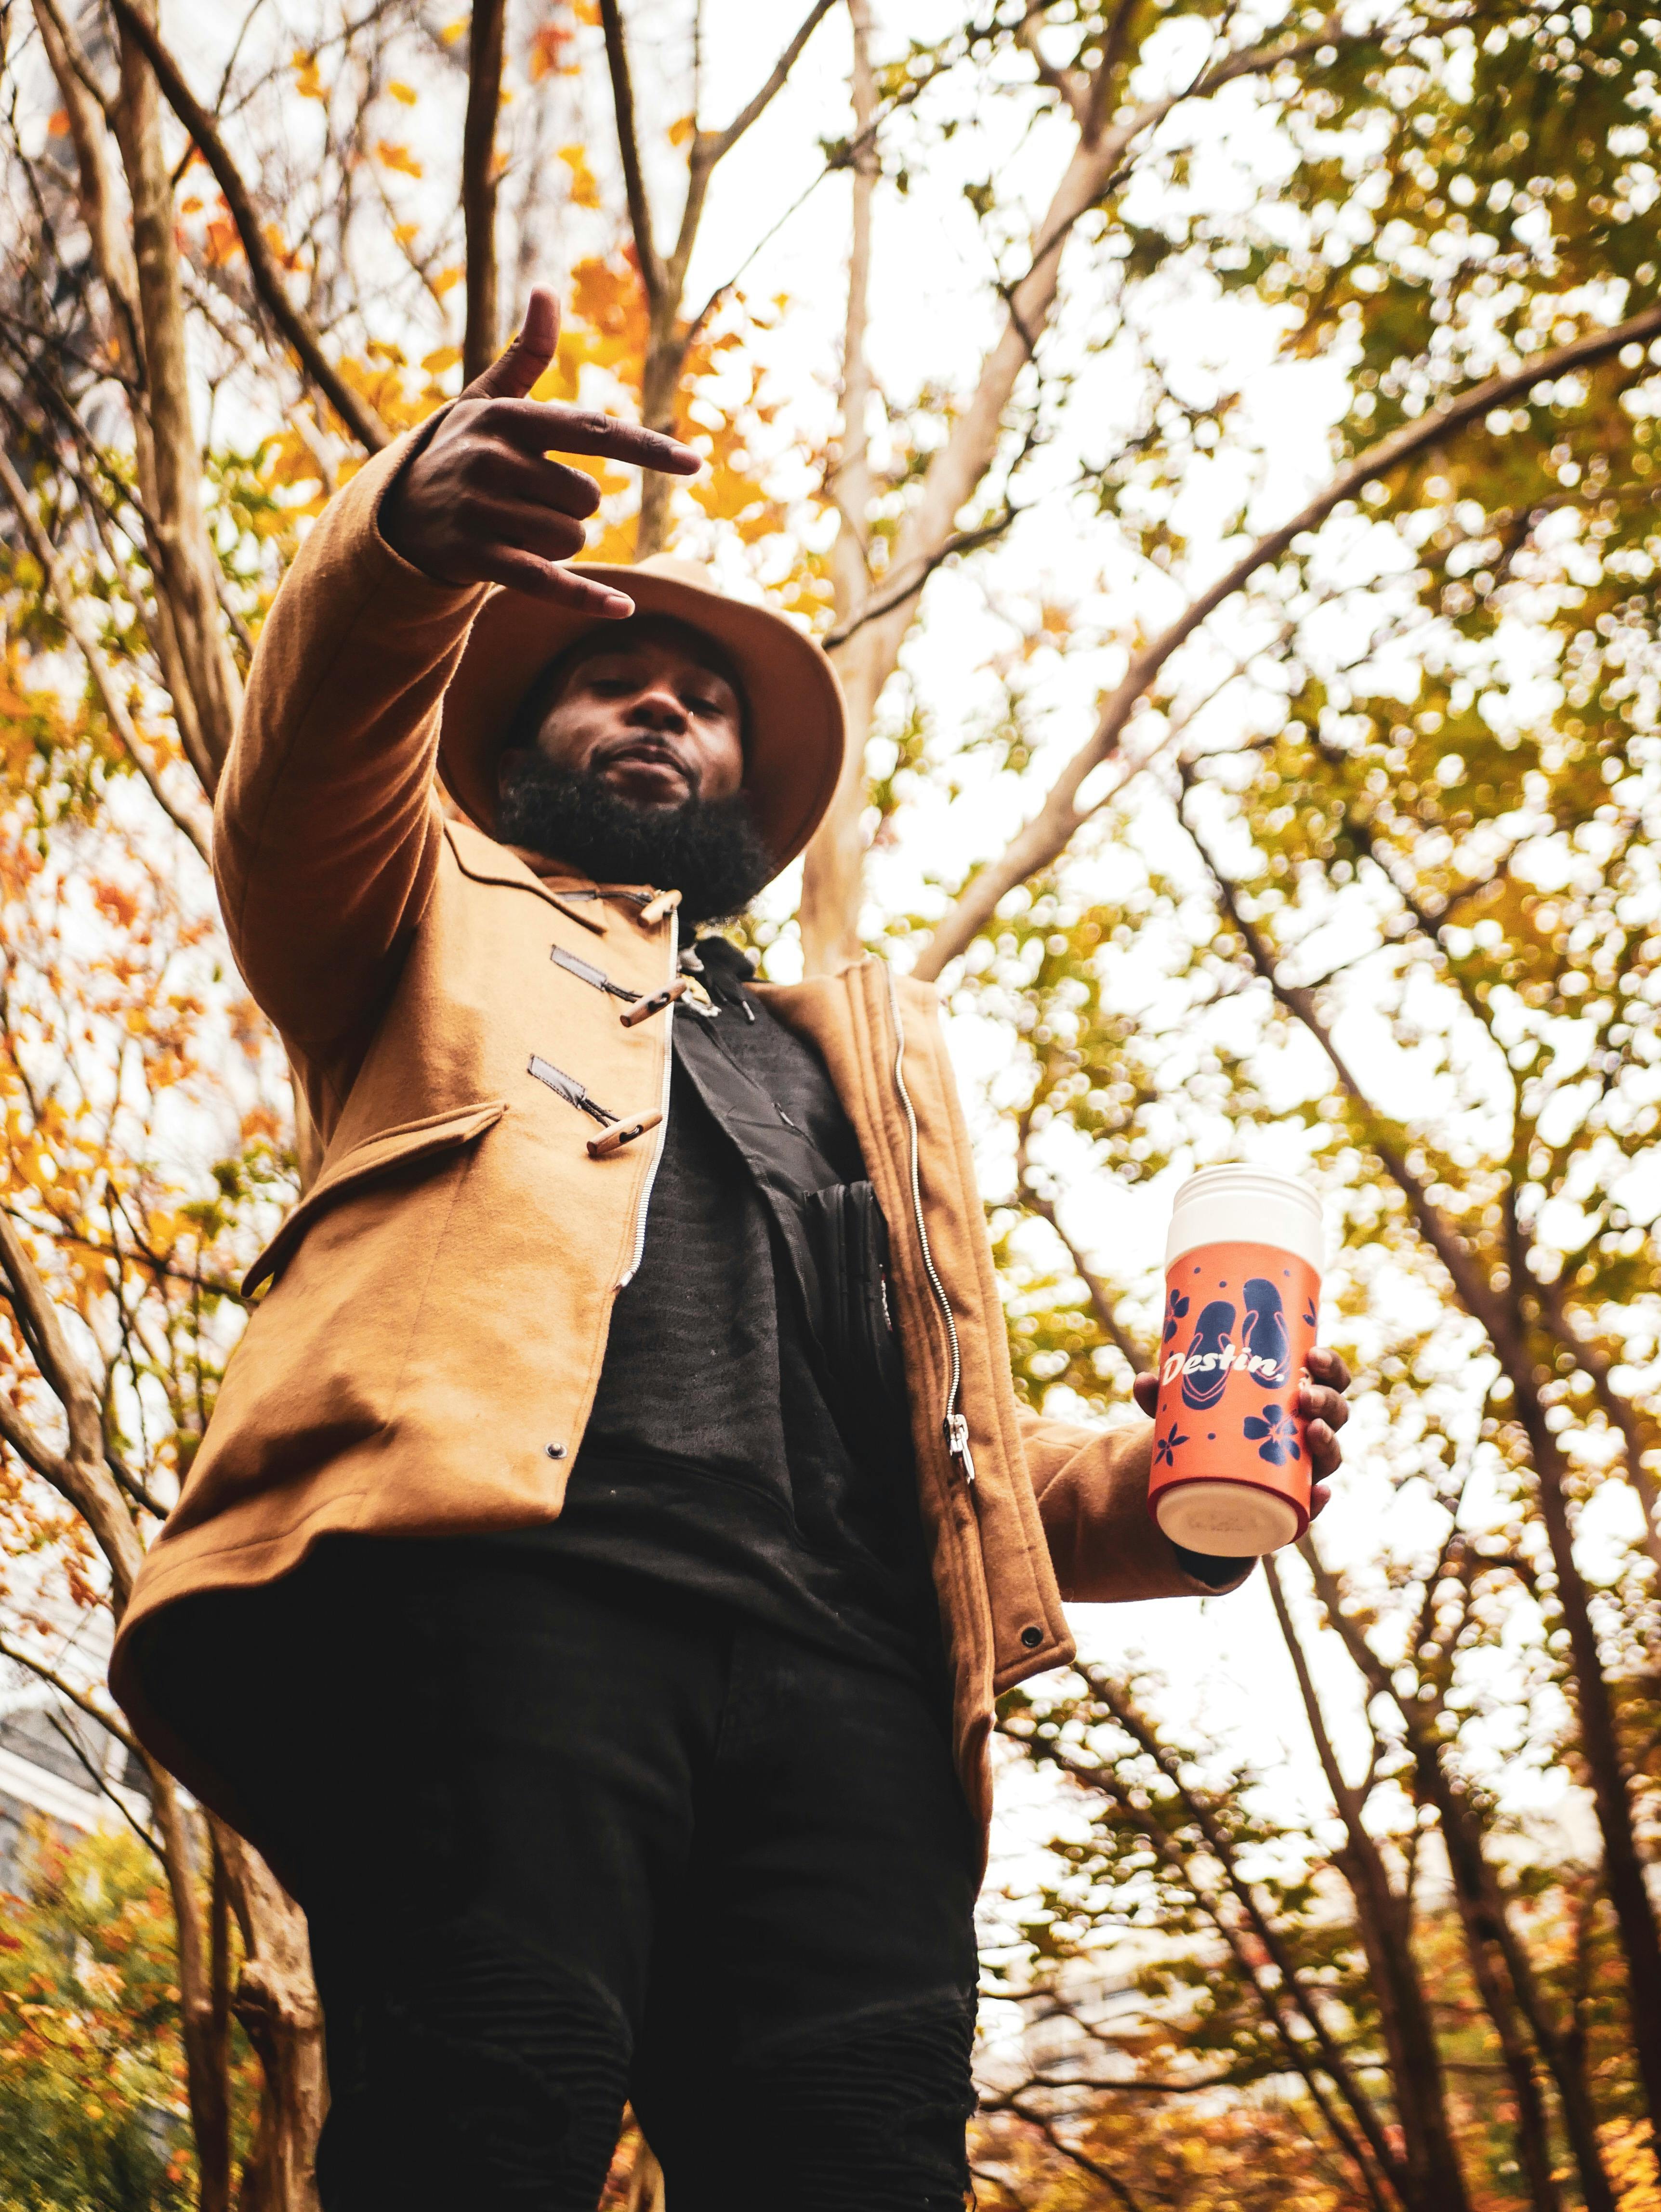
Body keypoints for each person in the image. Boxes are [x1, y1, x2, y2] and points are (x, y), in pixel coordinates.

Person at [110, 289, 1351, 2212]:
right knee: (471, 2138)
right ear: (512, 741)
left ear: (748, 800)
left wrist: (1164, 1489)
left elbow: (949, 1452)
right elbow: (301, 777)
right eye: (613, 679)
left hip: (857, 1707)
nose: (662, 706)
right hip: (504, 1625)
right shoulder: (410, 914)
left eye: (700, 700)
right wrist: (397, 550)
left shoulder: (846, 1064)